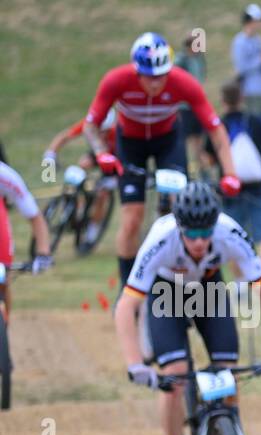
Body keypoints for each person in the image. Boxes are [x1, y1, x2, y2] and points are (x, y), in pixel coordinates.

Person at [113, 181, 261, 435]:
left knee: (227, 370)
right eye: (191, 235)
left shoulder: (229, 232)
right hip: (166, 292)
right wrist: (136, 363)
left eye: (205, 233)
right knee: (176, 374)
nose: (199, 241)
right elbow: (127, 305)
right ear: (179, 227)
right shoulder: (160, 239)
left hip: (208, 290)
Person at [84, 32, 241, 288]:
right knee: (132, 217)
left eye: (161, 76)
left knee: (180, 211)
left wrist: (231, 173)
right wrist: (102, 153)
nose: (156, 84)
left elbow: (215, 129)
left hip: (168, 141)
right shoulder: (116, 80)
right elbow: (91, 125)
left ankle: (179, 284)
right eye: (149, 77)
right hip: (131, 144)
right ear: (136, 71)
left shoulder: (183, 82)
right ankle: (129, 290)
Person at [210, 82, 261, 278]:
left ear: (223, 101)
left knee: (232, 237)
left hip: (231, 191)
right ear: (242, 98)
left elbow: (208, 156)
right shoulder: (258, 122)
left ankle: (240, 282)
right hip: (260, 189)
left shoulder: (219, 125)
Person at [42, 112, 119, 250]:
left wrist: (116, 177)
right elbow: (64, 136)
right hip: (98, 153)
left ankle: (92, 232)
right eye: (98, 131)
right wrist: (50, 154)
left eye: (104, 132)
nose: (100, 135)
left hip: (115, 157)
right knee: (83, 165)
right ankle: (76, 204)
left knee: (102, 194)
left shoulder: (118, 132)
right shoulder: (89, 125)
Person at [0, 161, 53, 321]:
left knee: (3, 276)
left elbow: (35, 216)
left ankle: (3, 333)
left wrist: (43, 254)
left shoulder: (4, 175)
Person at [174, 30, 209, 173]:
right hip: (184, 107)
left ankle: (203, 171)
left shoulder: (199, 59)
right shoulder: (181, 60)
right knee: (185, 141)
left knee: (199, 141)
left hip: (197, 105)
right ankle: (185, 171)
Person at [232, 4, 261, 118]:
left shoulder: (258, 39)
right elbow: (241, 68)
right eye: (258, 20)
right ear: (250, 21)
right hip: (249, 91)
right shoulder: (240, 42)